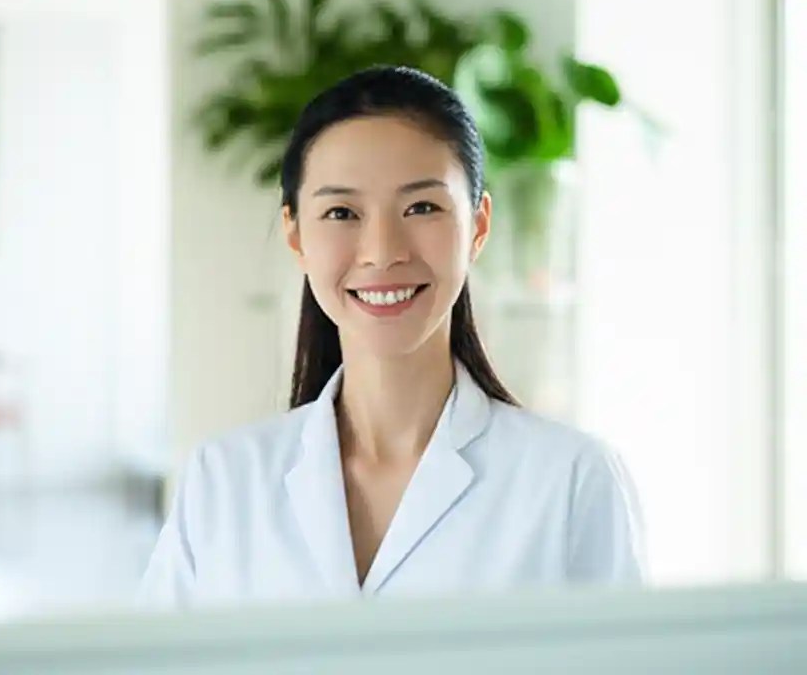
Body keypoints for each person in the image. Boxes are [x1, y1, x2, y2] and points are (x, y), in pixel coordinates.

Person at [139, 66, 644, 608]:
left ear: (477, 225)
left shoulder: (569, 480)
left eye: (421, 207)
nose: (382, 250)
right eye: (341, 212)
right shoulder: (223, 483)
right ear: (296, 234)